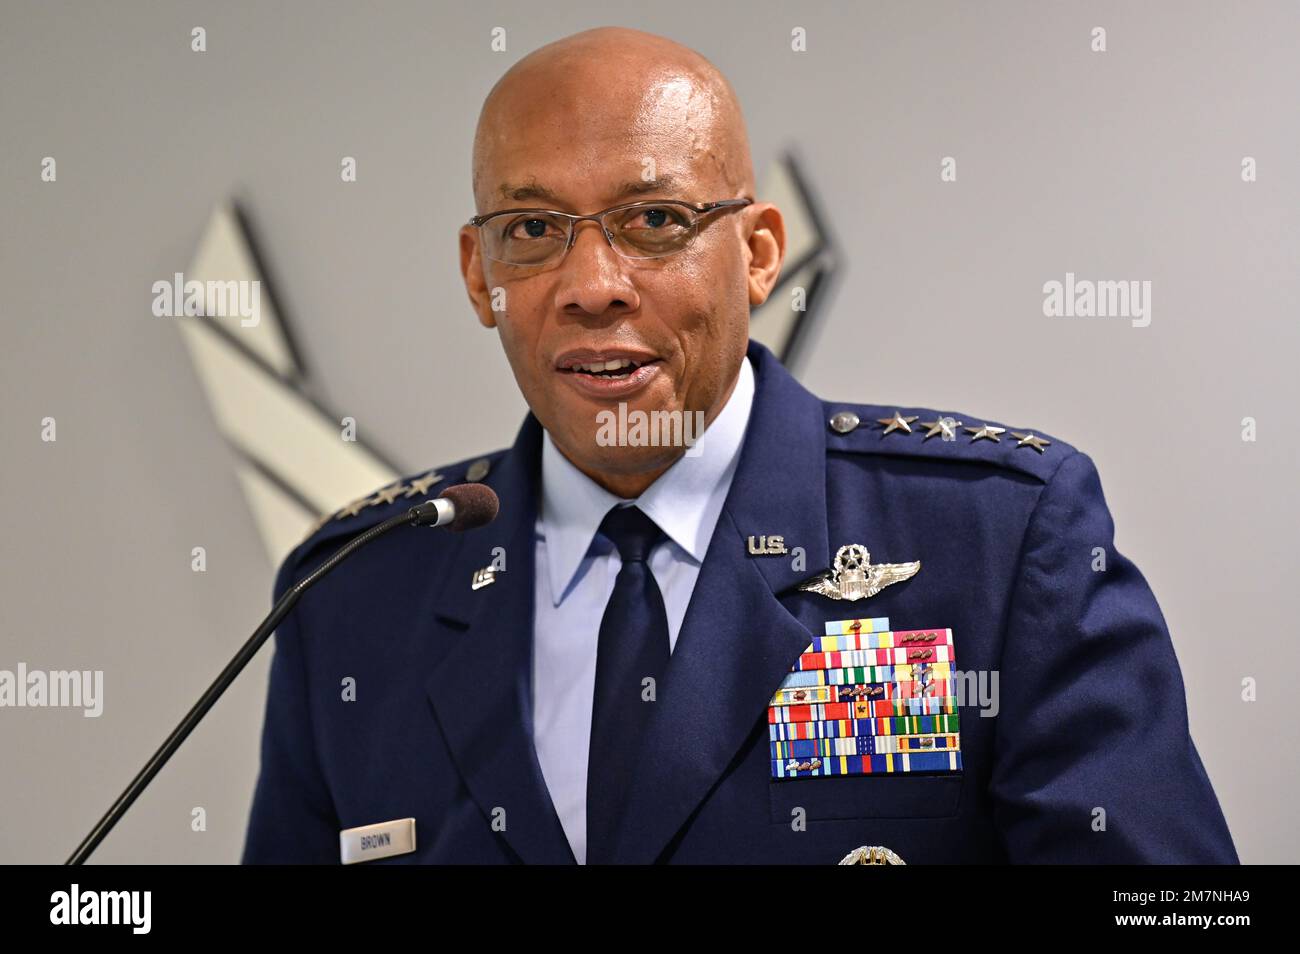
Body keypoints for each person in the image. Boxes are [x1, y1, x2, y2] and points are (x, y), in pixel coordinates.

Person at [242, 26, 1236, 864]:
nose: (593, 282)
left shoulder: (997, 540)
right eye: (534, 228)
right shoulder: (358, 594)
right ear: (478, 273)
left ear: (758, 254)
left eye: (656, 220)